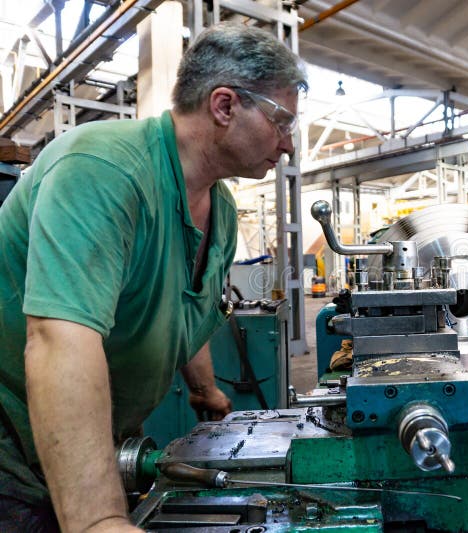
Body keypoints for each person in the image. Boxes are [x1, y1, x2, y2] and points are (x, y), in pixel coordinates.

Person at [0, 22, 307, 532]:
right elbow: (58, 340)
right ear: (225, 106)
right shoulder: (102, 170)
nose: (289, 145)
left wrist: (205, 391)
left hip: (104, 439)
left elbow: (185, 304)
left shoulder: (221, 209)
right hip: (14, 448)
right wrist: (98, 520)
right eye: (281, 122)